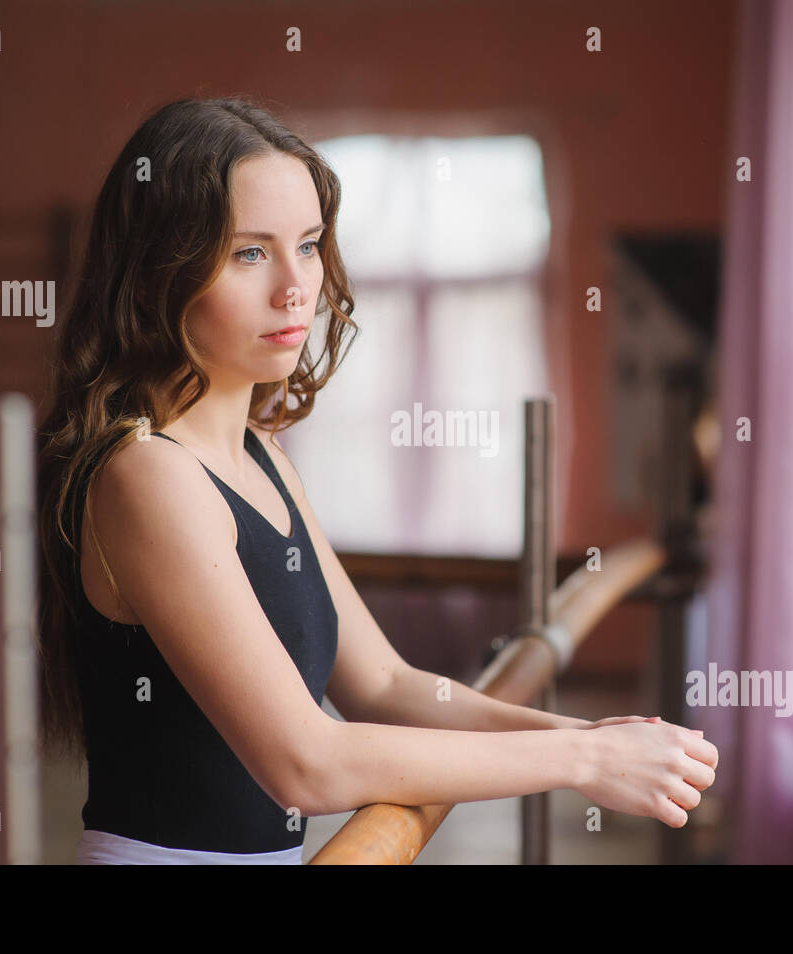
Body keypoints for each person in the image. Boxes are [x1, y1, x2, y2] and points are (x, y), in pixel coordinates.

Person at [35, 97, 718, 865]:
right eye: (249, 253)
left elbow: (386, 682)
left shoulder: (262, 457)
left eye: (309, 244)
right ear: (157, 273)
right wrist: (583, 765)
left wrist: (592, 736)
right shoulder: (146, 475)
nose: (297, 287)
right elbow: (306, 763)